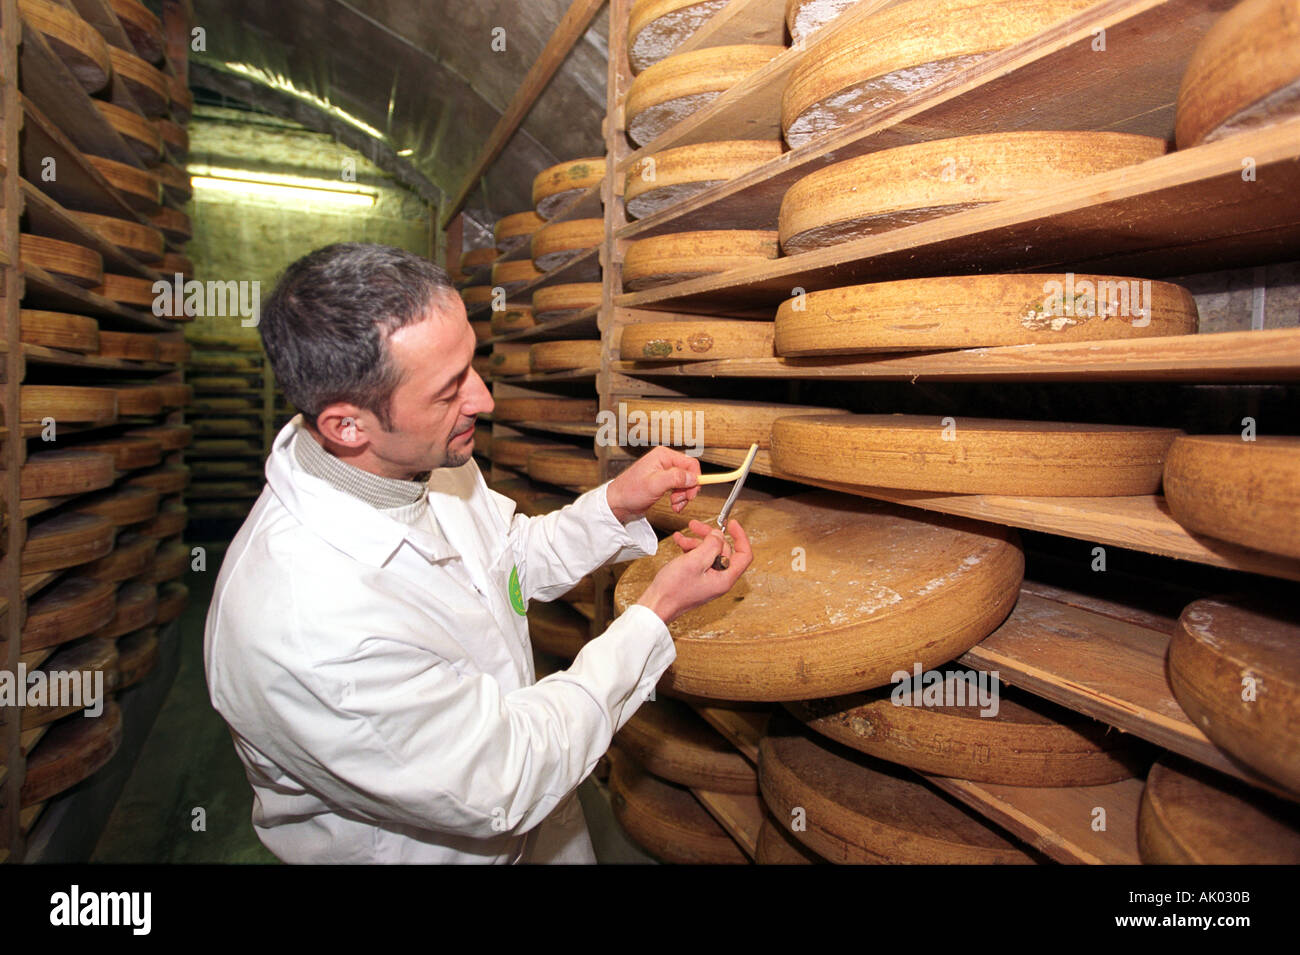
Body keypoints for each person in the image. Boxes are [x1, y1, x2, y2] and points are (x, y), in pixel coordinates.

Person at [203, 243, 753, 863]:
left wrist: (615, 505)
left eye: (471, 363)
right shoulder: (307, 628)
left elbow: (506, 561)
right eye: (449, 390)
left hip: (540, 829)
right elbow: (508, 777)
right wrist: (656, 612)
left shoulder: (420, 457)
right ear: (347, 426)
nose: (484, 399)